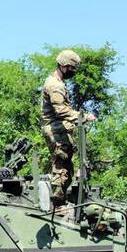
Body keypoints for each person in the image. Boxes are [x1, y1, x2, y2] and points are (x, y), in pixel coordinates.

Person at [40, 49, 95, 208]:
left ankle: (60, 203)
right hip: (55, 130)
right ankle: (57, 207)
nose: (73, 71)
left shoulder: (59, 83)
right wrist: (82, 117)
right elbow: (61, 110)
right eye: (71, 68)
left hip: (60, 129)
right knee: (61, 166)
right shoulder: (55, 85)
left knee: (67, 168)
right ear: (63, 65)